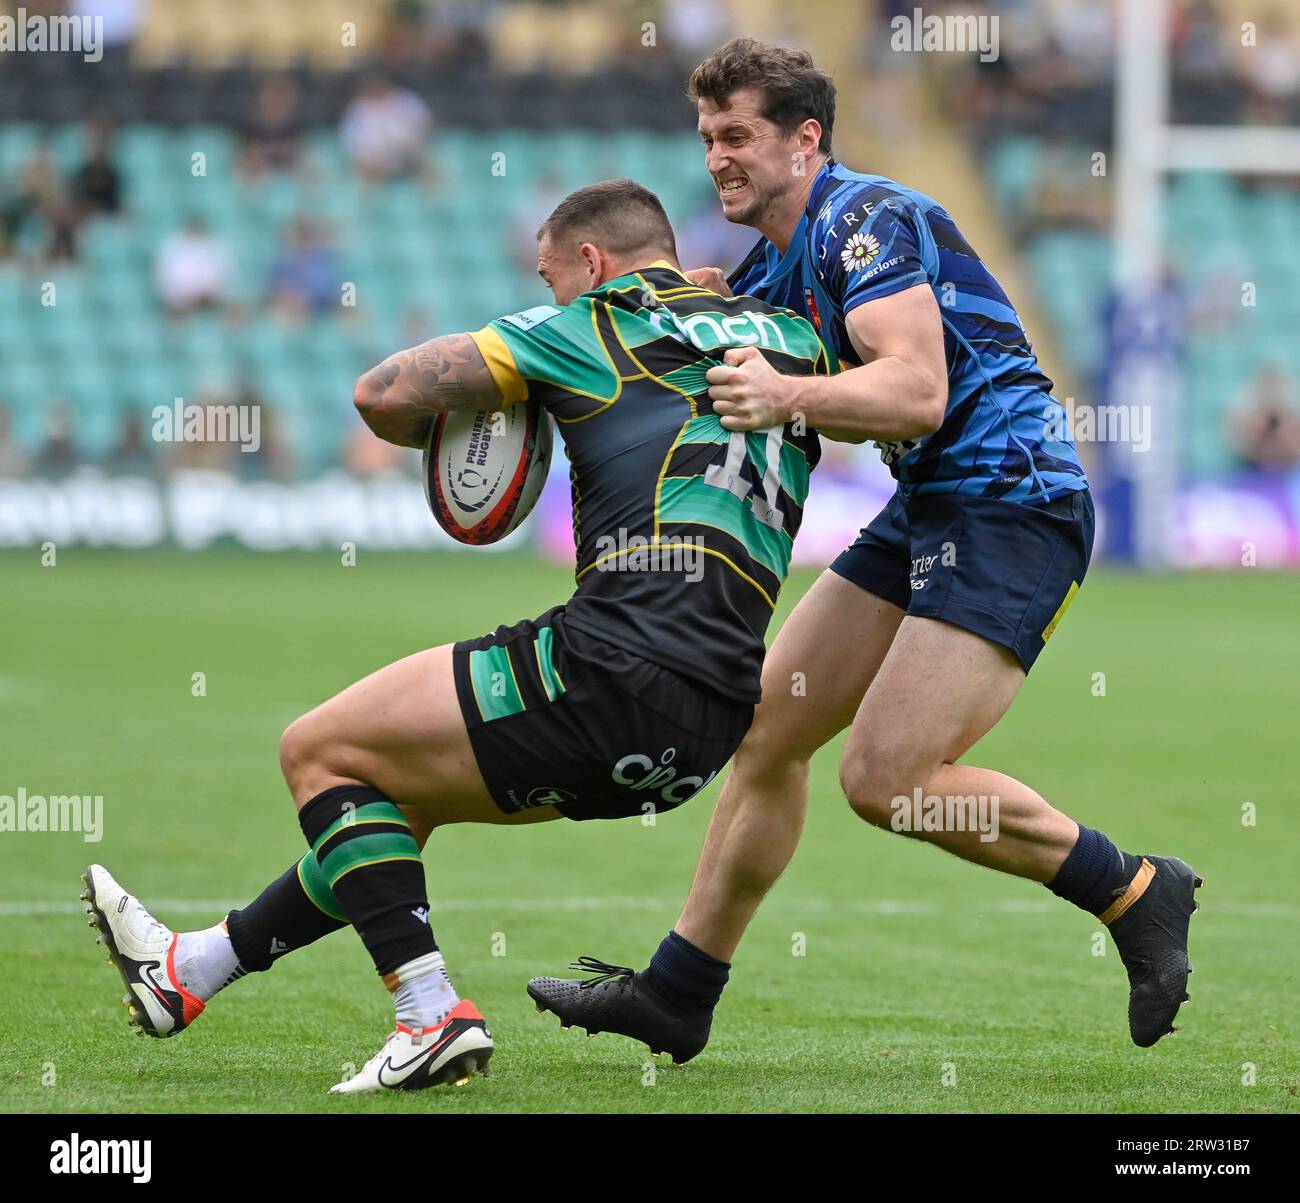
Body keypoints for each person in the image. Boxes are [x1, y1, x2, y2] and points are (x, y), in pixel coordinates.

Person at [81, 179, 836, 1094]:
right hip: (710, 723)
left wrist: (514, 396)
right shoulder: (790, 340)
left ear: (592, 264)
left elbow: (382, 393)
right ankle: (191, 971)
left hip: (609, 668)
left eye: (552, 274)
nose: (553, 291)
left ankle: (428, 1011)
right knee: (399, 804)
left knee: (319, 750)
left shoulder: (586, 326)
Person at [529, 38, 1201, 1063]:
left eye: (740, 135)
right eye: (709, 137)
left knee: (888, 777)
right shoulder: (776, 268)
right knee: (767, 731)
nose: (719, 156)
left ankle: (1135, 890)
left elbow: (915, 392)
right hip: (932, 504)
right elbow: (837, 416)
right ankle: (678, 992)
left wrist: (787, 388)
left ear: (805, 140)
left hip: (1011, 500)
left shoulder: (864, 219)